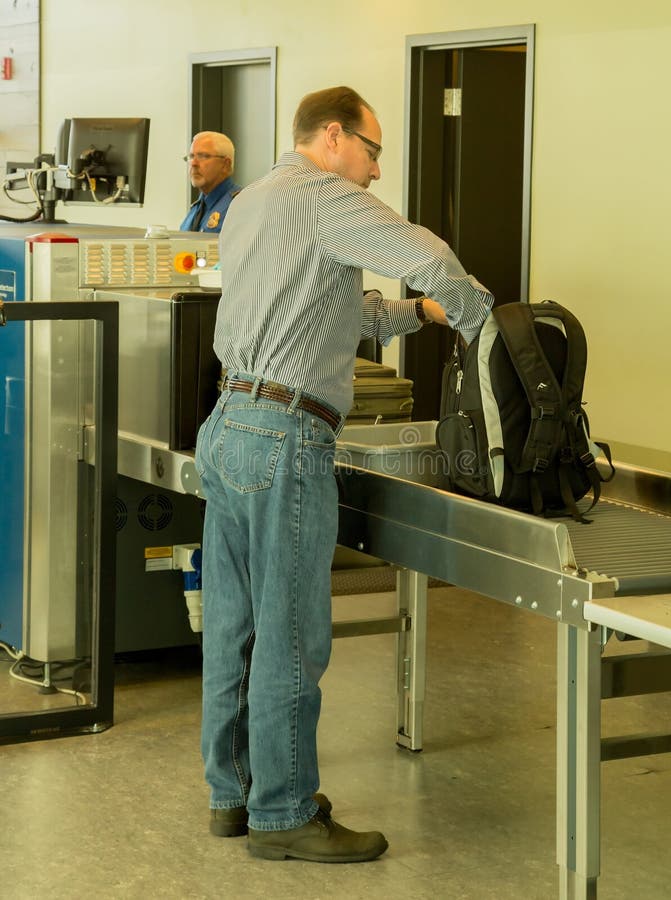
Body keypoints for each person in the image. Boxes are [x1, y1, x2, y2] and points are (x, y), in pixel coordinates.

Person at [195, 85, 494, 864]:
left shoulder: (256, 201)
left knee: (235, 629)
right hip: (283, 436)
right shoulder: (326, 196)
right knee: (291, 636)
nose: (372, 171)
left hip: (227, 428)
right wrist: (479, 321)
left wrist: (417, 318)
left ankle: (235, 796)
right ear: (333, 137)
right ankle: (285, 812)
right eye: (371, 152)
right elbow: (428, 256)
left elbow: (341, 313)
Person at [179, 131, 240, 233]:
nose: (193, 163)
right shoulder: (196, 209)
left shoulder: (238, 205)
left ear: (225, 165)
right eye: (191, 156)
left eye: (203, 156)